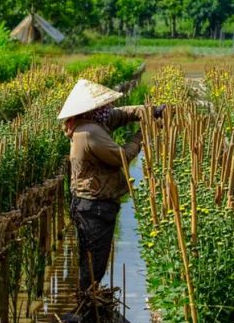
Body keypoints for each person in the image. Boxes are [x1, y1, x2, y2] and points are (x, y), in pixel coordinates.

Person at [56, 78, 164, 301]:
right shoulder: (88, 133)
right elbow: (122, 158)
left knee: (93, 262)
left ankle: (86, 307)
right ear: (92, 109)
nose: (108, 109)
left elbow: (122, 114)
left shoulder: (90, 122)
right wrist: (141, 135)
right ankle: (84, 310)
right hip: (93, 205)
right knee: (94, 265)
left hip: (91, 202)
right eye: (103, 105)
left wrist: (152, 111)